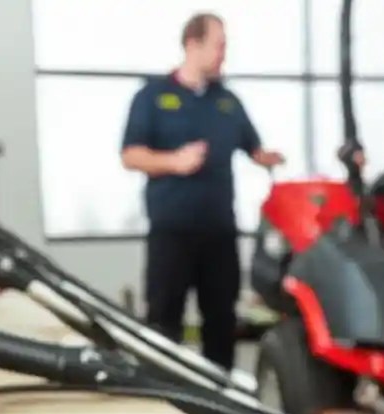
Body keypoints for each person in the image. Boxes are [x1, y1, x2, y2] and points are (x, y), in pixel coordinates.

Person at [121, 12, 284, 370]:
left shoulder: (227, 101)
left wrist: (267, 158)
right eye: (219, 45)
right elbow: (131, 155)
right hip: (171, 233)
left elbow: (253, 148)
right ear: (192, 45)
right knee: (165, 320)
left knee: (221, 321)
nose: (224, 53)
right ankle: (166, 396)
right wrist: (174, 162)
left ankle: (221, 401)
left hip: (219, 233)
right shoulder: (153, 96)